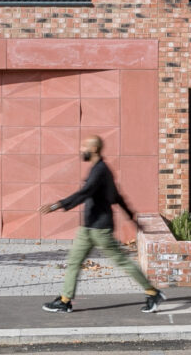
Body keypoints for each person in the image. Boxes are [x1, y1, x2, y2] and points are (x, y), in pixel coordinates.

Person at [39, 134, 166, 313]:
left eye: (83, 147)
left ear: (94, 149)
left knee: (122, 261)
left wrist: (57, 205)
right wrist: (132, 218)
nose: (80, 150)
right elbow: (117, 197)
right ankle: (65, 300)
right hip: (88, 228)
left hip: (100, 229)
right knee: (74, 262)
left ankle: (153, 293)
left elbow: (85, 192)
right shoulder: (97, 169)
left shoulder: (101, 171)